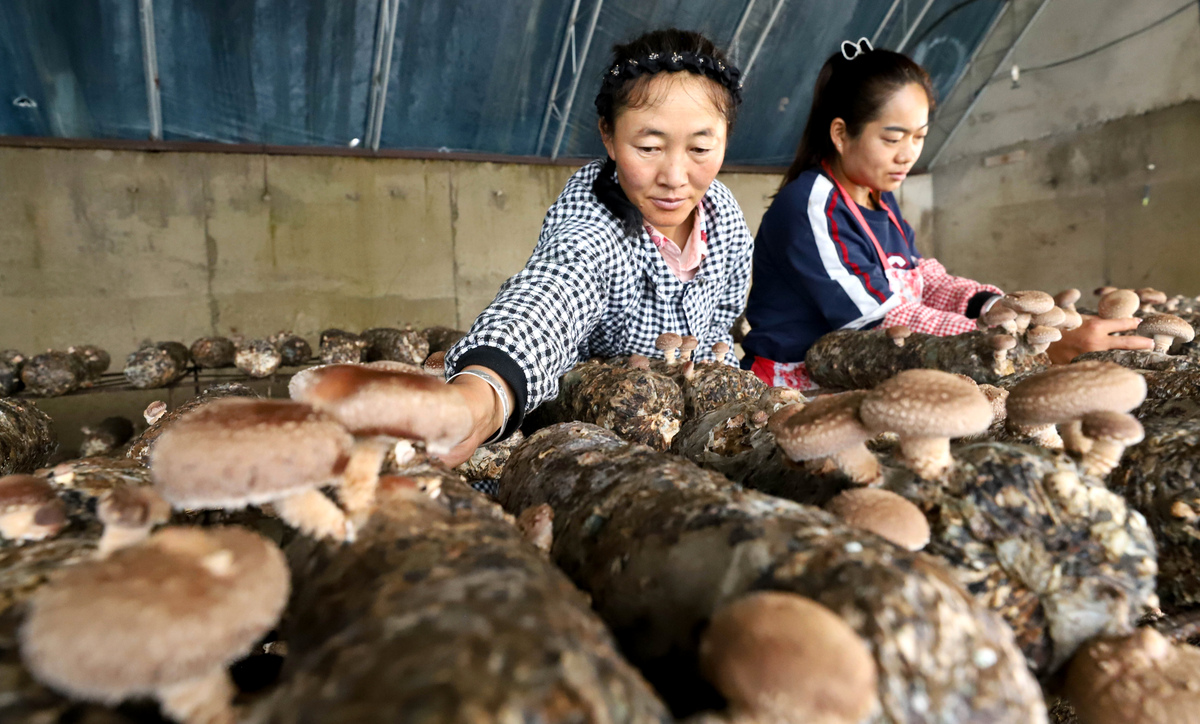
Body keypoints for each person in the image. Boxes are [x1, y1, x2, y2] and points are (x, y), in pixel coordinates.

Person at [740, 40, 1150, 389]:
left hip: (871, 371)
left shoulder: (878, 198)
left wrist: (990, 306)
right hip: (800, 388)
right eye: (892, 138)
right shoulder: (812, 206)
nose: (908, 154)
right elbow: (880, 321)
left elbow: (924, 280)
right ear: (841, 134)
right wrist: (1014, 342)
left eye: (919, 137)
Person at [436, 29, 753, 466]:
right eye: (649, 147)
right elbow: (553, 296)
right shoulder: (593, 220)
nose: (676, 177)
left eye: (701, 147)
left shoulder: (725, 215)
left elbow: (722, 320)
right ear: (608, 135)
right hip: (597, 445)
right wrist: (483, 390)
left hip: (692, 434)